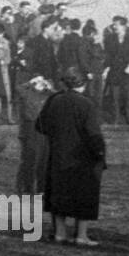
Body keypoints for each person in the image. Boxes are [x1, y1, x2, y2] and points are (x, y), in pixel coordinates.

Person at [35, 66, 106, 245]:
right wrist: (100, 154)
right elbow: (93, 135)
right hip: (82, 158)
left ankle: (60, 233)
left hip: (58, 154)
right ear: (82, 83)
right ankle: (81, 236)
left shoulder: (53, 100)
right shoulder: (87, 104)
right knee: (85, 195)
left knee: (59, 193)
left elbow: (40, 125)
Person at [15, 74, 53, 196]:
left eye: (43, 82)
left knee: (43, 160)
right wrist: (31, 82)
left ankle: (41, 189)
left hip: (44, 131)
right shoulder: (27, 93)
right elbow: (19, 89)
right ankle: (26, 189)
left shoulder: (48, 95)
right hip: (30, 130)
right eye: (39, 82)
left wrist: (50, 87)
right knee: (29, 161)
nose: (41, 84)